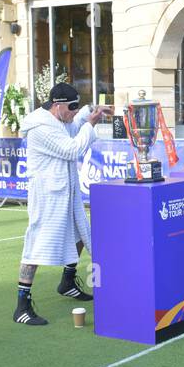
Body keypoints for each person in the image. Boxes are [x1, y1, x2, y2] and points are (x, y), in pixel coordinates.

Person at [15, 82, 112, 325]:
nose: (73, 113)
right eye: (72, 108)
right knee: (36, 244)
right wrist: (89, 123)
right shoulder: (40, 128)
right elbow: (71, 149)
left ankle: (68, 281)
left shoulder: (59, 120)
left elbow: (73, 125)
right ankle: (22, 304)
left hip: (65, 191)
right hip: (47, 195)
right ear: (57, 106)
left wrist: (91, 114)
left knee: (80, 233)